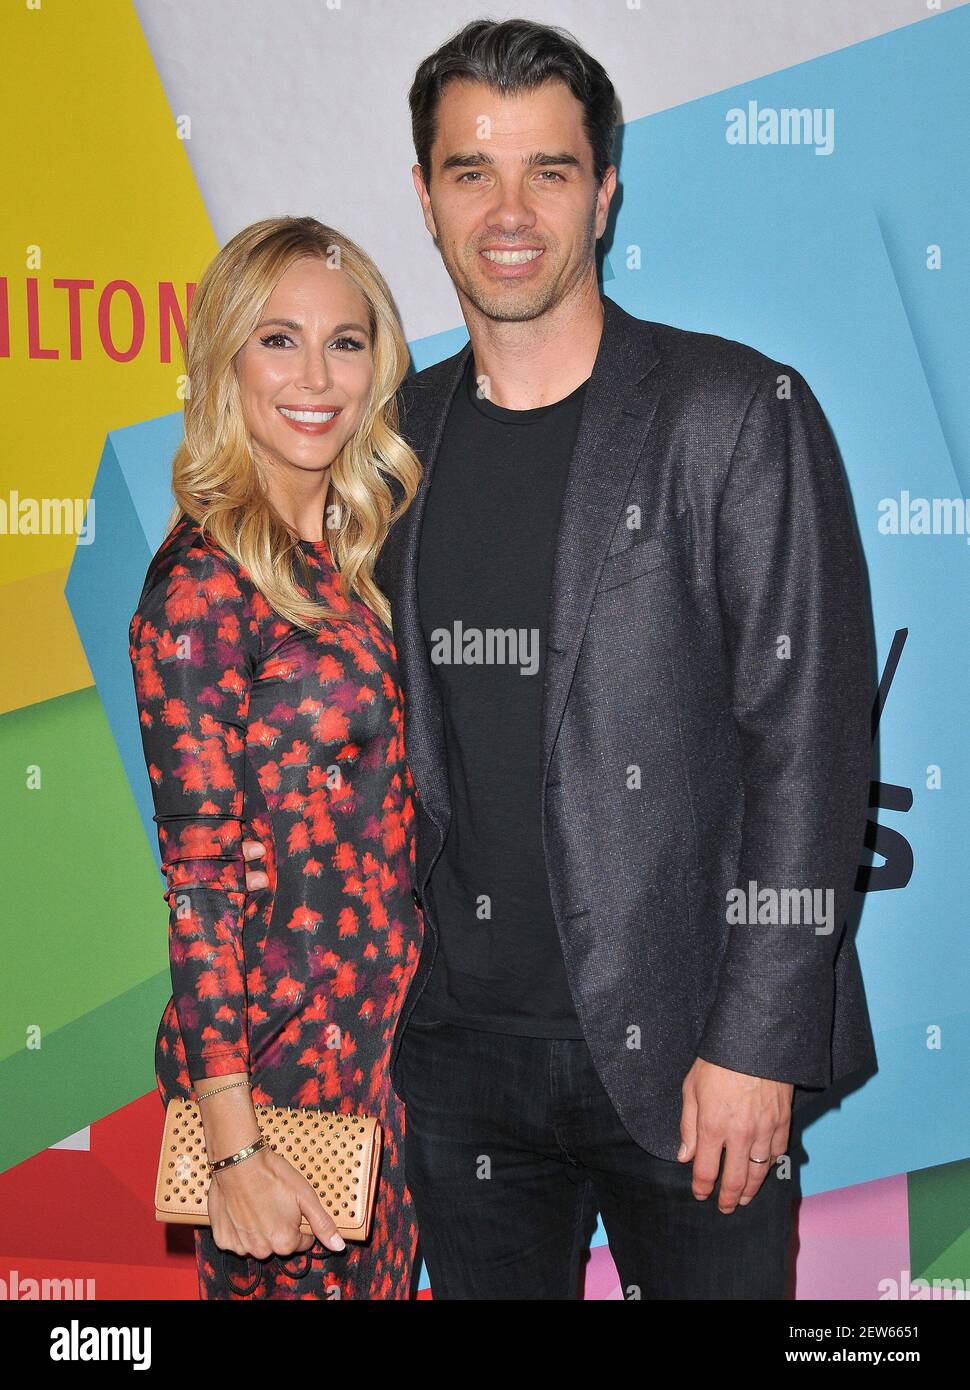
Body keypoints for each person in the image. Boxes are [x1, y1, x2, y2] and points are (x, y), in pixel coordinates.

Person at [245, 18, 879, 1300]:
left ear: (604, 190)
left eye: (549, 168)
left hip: (693, 1059)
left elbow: (809, 746)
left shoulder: (731, 414)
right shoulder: (389, 441)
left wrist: (757, 1042)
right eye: (472, 170)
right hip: (453, 1059)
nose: (509, 209)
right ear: (423, 198)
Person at [128, 216, 423, 1299]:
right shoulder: (204, 589)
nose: (315, 375)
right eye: (277, 340)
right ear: (224, 362)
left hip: (385, 1070)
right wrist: (235, 1148)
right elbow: (199, 887)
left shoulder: (349, 566)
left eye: (345, 342)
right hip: (283, 1090)